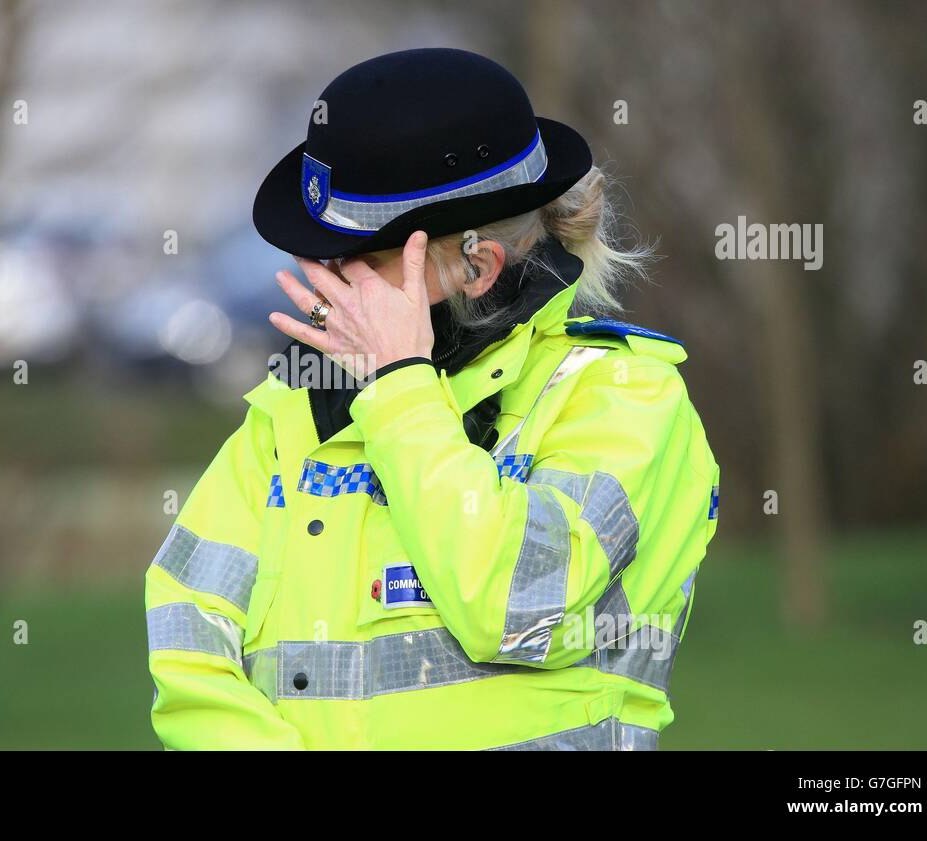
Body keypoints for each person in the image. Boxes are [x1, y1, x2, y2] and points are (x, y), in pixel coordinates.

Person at [145, 47, 719, 750]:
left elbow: (517, 605)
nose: (326, 284)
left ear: (476, 266)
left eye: (360, 261)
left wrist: (399, 390)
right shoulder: (297, 406)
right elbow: (188, 647)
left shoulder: (624, 396)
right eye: (323, 257)